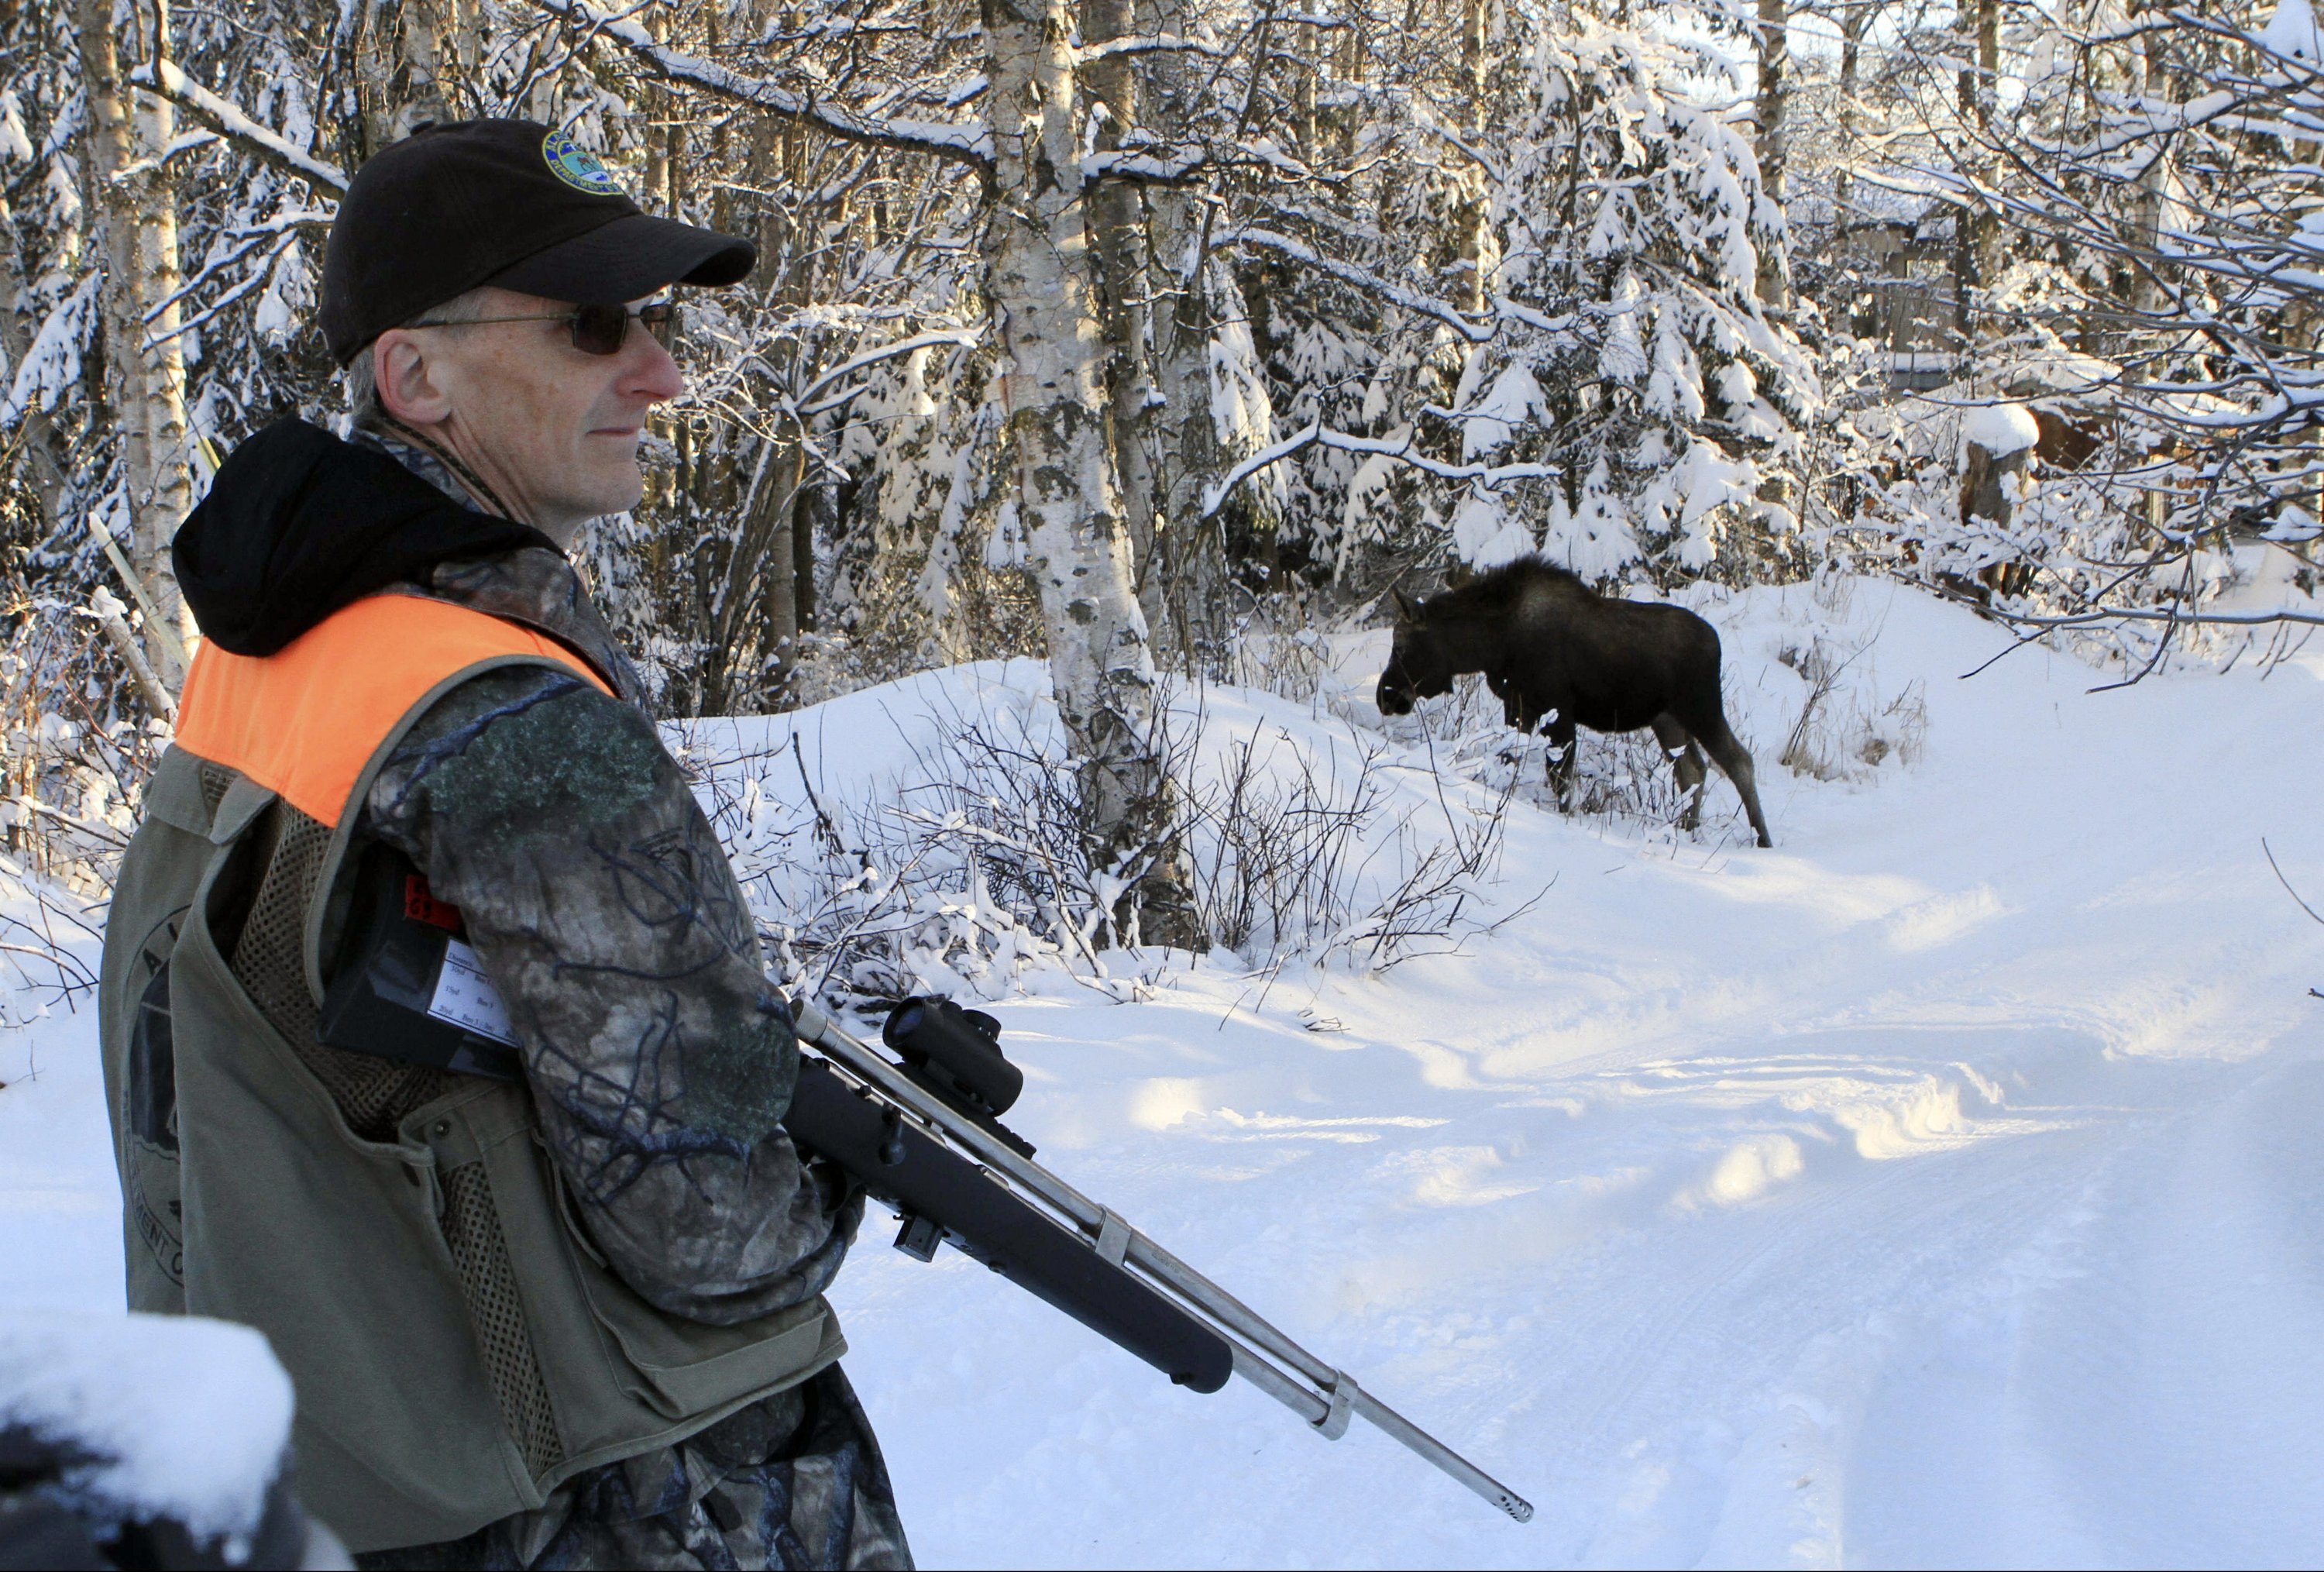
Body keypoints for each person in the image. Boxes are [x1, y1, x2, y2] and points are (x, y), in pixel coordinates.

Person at [95, 119, 910, 1571]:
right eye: (596, 326)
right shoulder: (507, 712)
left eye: (654, 322)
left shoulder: (287, 639)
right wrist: (846, 1167)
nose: (659, 369)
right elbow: (719, 1233)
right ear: (417, 375)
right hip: (548, 1490)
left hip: (326, 1456)